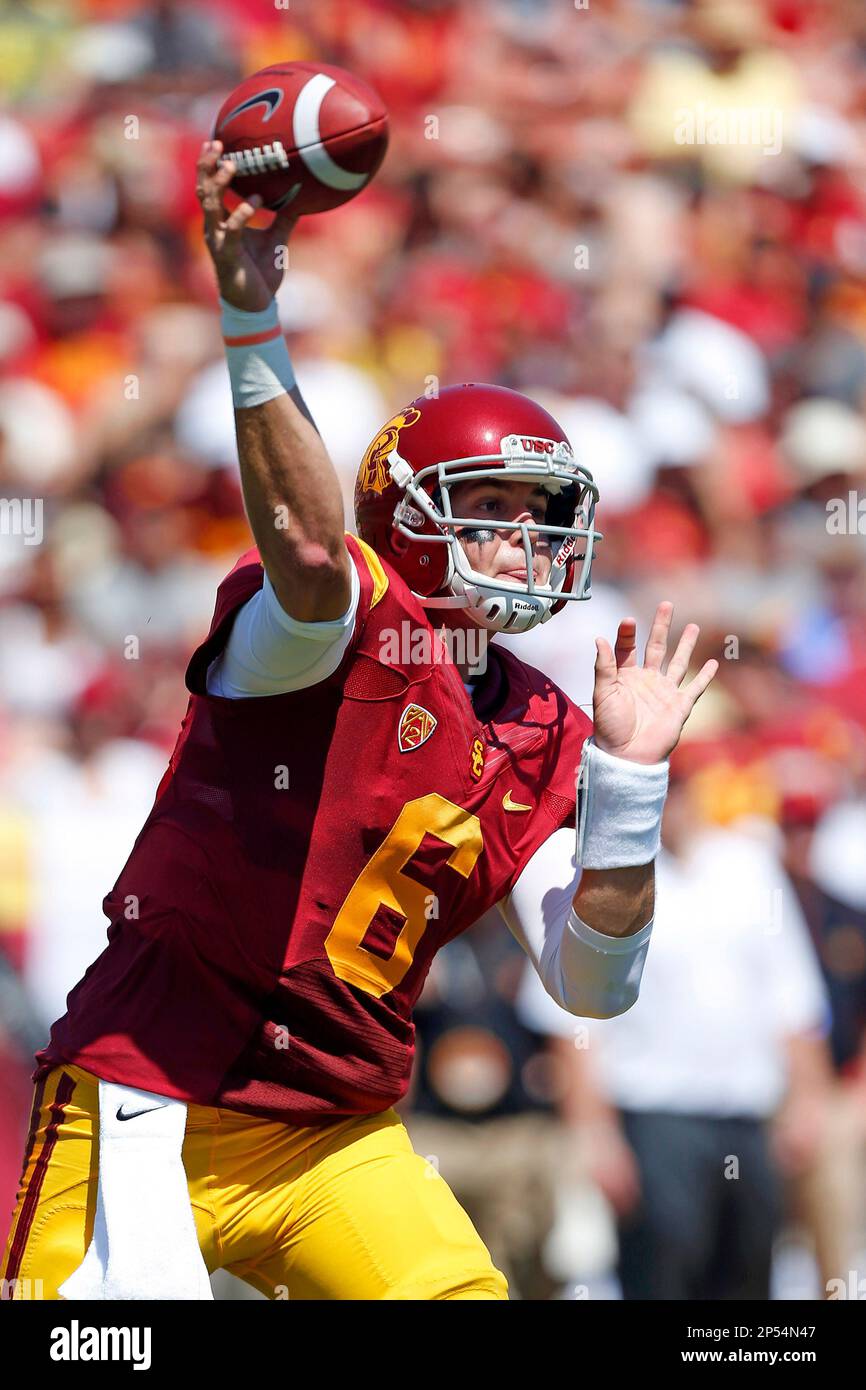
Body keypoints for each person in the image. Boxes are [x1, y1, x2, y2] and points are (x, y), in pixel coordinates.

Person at [0, 141, 716, 1302]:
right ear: (406, 517)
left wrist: (630, 786)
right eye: (489, 508)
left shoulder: (543, 722)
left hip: (334, 1132)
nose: (524, 541)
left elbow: (592, 983)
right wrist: (251, 310)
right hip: (148, 1095)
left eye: (541, 514)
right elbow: (303, 549)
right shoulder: (340, 626)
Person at [516, 769, 832, 1300]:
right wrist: (595, 1133)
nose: (673, 801)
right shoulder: (602, 874)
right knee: (664, 1269)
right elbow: (573, 1025)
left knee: (750, 1273)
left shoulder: (749, 866)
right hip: (655, 1117)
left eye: (680, 786)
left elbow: (793, 997)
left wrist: (807, 1098)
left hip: (748, 1116)